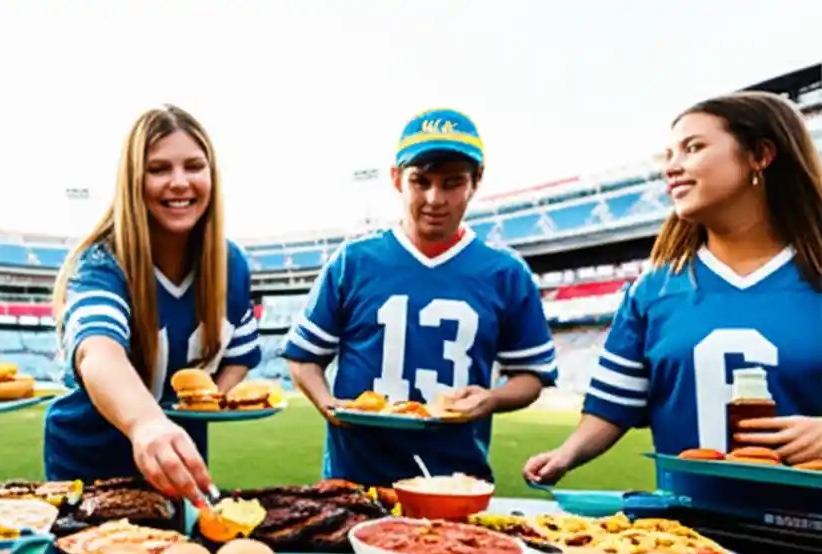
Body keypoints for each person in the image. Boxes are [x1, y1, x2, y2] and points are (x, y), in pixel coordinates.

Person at [524, 91, 822, 515]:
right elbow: (615, 405)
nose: (672, 167)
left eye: (694, 147)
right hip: (686, 535)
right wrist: (566, 454)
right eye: (669, 154)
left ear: (760, 155)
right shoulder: (652, 290)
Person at [285, 108, 556, 485]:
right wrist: (326, 402)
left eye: (452, 183)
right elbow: (303, 358)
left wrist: (491, 399)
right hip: (355, 480)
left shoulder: (505, 273)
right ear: (397, 179)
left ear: (476, 181)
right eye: (421, 181)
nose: (435, 198)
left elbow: (532, 375)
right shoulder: (354, 261)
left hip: (456, 480)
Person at [44, 105, 261, 507]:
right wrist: (147, 423)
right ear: (132, 181)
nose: (180, 183)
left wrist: (208, 398)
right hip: (91, 463)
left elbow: (241, 356)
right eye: (159, 169)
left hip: (180, 461)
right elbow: (97, 351)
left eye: (194, 166)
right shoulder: (101, 262)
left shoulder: (230, 264)